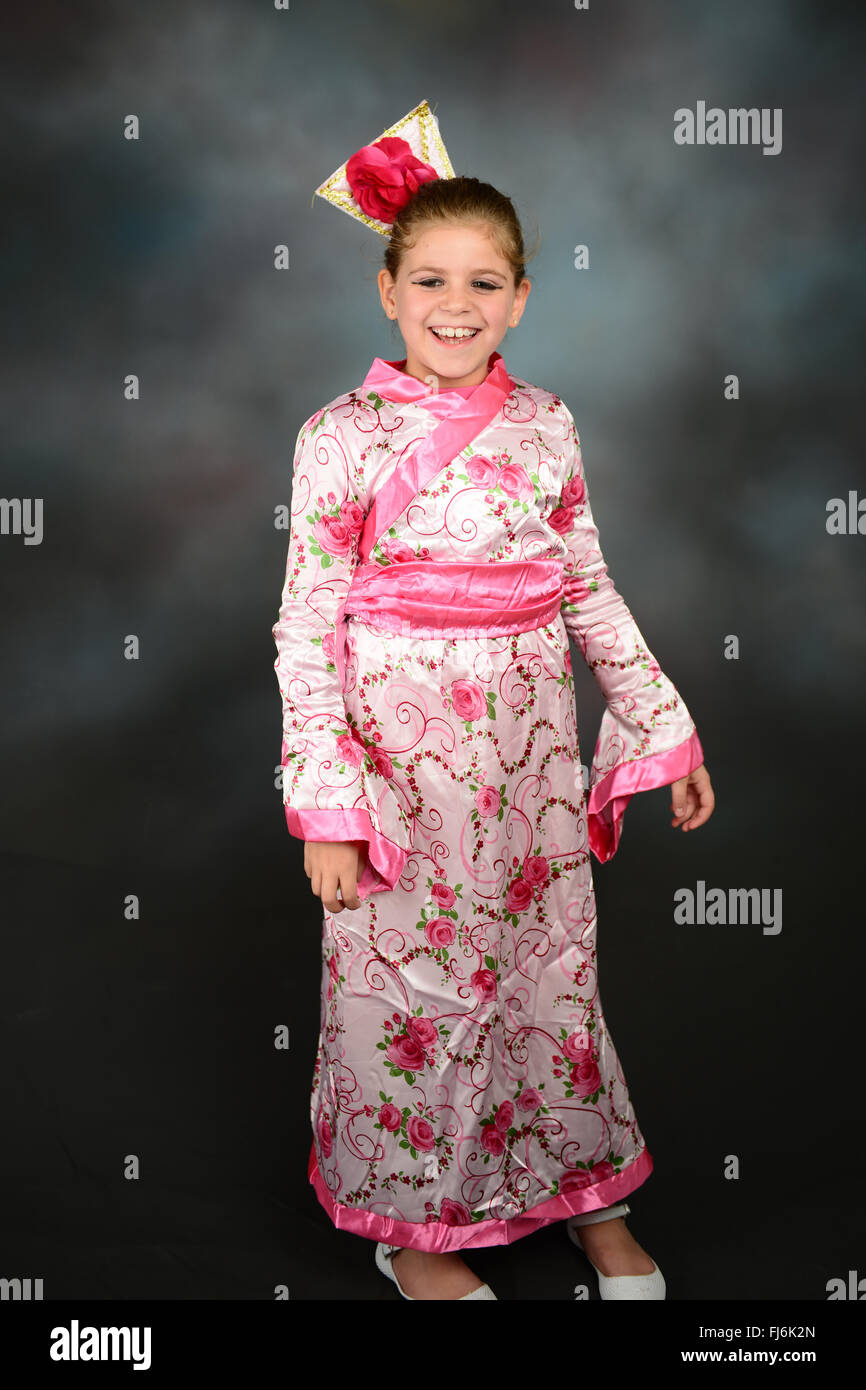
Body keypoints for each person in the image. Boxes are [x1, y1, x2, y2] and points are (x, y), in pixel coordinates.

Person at [272, 101, 715, 1301]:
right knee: (406, 982)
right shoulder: (339, 438)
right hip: (393, 770)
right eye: (427, 280)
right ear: (385, 291)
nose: (453, 305)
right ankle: (413, 1226)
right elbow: (307, 625)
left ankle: (582, 1193)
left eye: (482, 281)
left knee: (546, 969)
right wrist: (325, 804)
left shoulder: (545, 429)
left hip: (525, 761)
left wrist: (660, 724)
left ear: (518, 296)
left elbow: (586, 587)